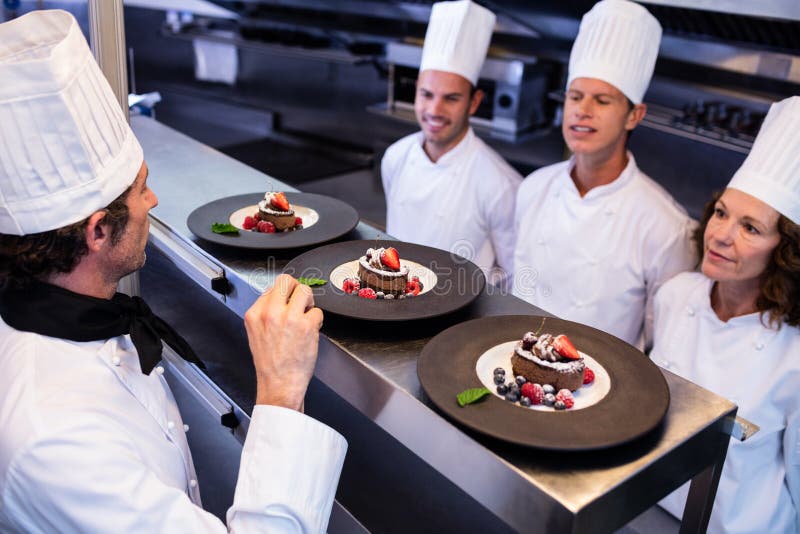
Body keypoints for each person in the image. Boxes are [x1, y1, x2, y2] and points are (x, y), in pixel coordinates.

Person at [0, 10, 346, 532]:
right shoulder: (55, 439)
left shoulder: (60, 318)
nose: (153, 200)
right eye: (141, 190)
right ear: (97, 232)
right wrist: (280, 390)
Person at [653, 96, 800, 534]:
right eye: (721, 213)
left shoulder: (793, 358)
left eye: (750, 228)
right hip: (647, 510)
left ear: (786, 252)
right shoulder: (676, 297)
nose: (720, 235)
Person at [512, 0, 696, 349]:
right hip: (512, 365)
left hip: (604, 393)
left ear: (634, 115)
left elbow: (661, 339)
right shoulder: (533, 189)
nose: (582, 111)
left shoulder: (667, 227)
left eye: (602, 100)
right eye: (575, 96)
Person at [381, 0, 522, 286]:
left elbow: (513, 278)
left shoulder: (501, 183)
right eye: (427, 94)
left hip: (464, 322)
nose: (434, 110)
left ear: (475, 102)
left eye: (451, 98)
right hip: (393, 309)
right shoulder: (395, 157)